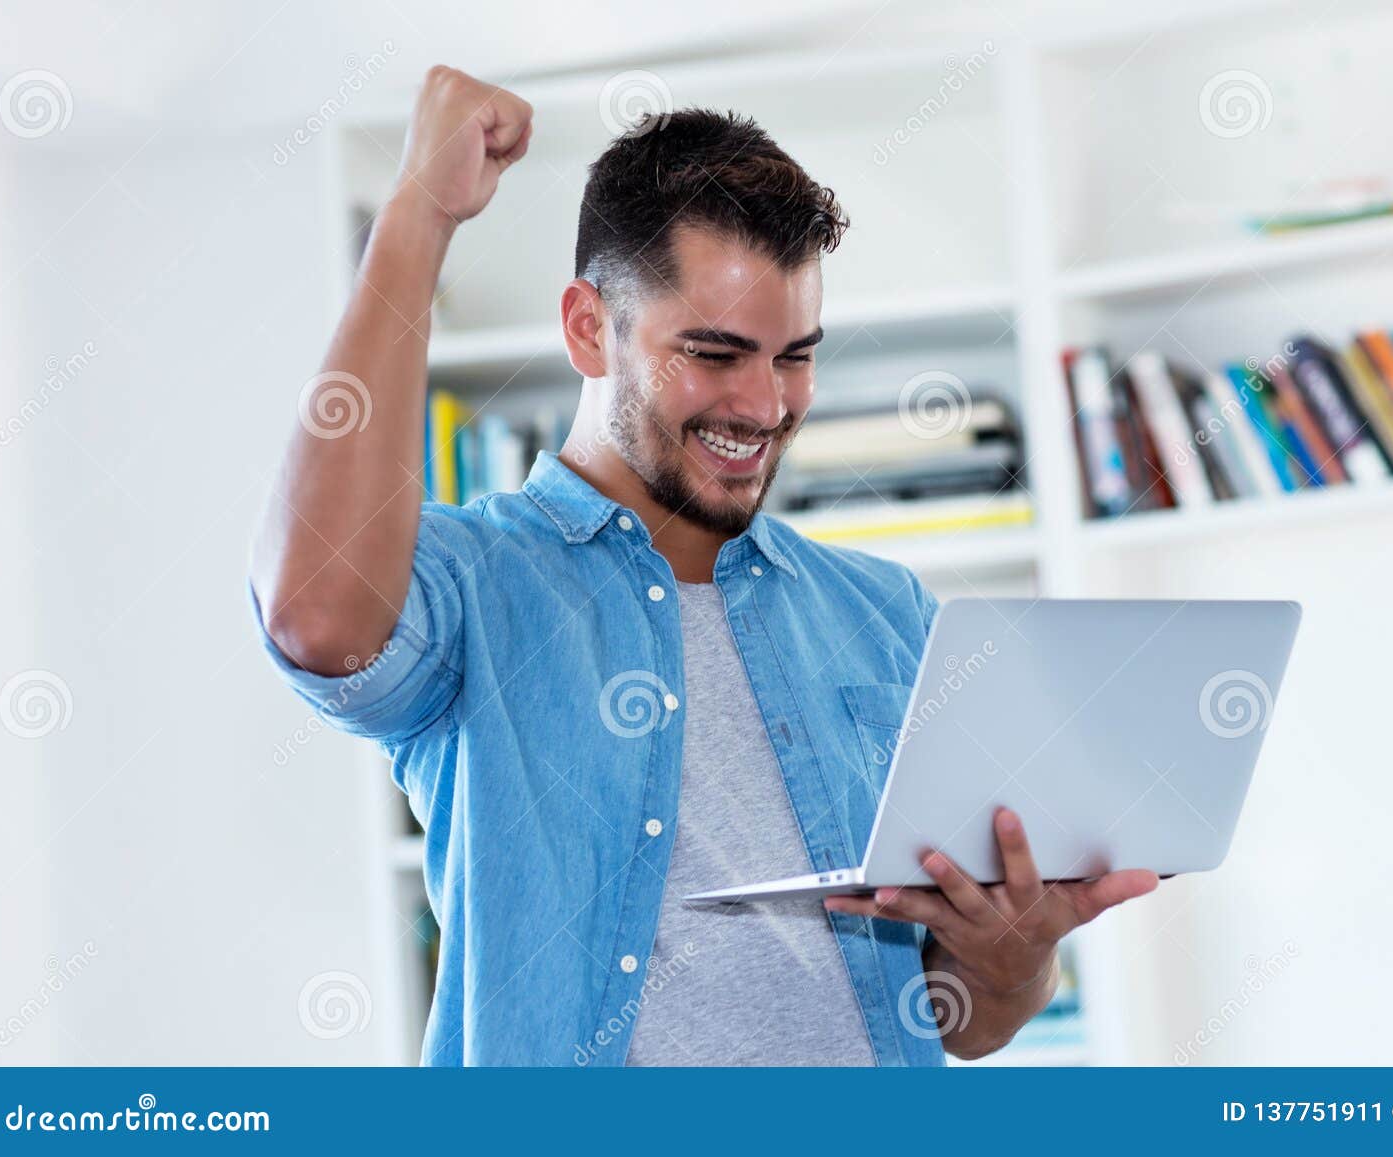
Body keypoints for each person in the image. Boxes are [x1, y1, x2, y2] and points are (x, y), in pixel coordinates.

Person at [249, 65, 1157, 1066]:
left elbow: (963, 1020)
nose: (765, 405)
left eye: (794, 354)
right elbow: (317, 617)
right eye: (716, 354)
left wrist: (1010, 961)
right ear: (589, 327)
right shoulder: (478, 584)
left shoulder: (881, 610)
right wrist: (420, 211)